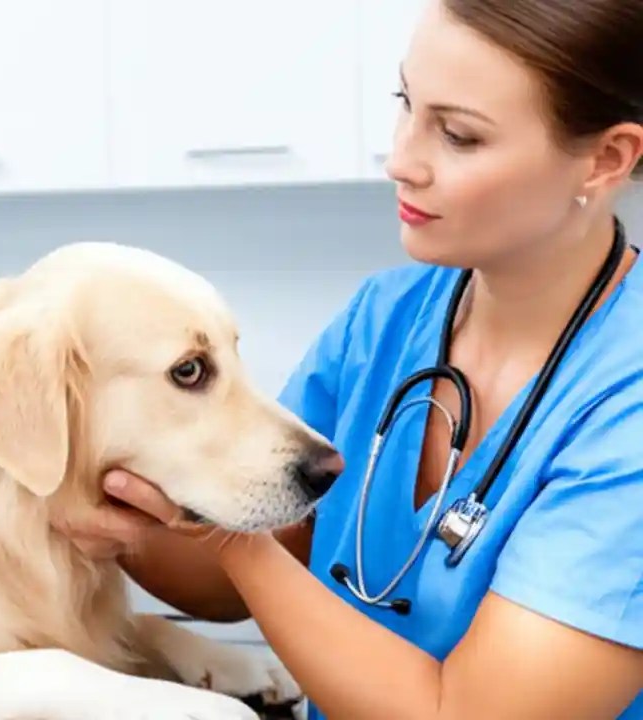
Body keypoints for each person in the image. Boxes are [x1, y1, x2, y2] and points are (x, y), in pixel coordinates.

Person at [55, 1, 643, 718]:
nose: (401, 159)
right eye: (407, 104)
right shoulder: (386, 320)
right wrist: (87, 487)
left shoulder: (627, 400)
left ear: (608, 158)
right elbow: (223, 577)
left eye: (458, 135)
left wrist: (243, 546)